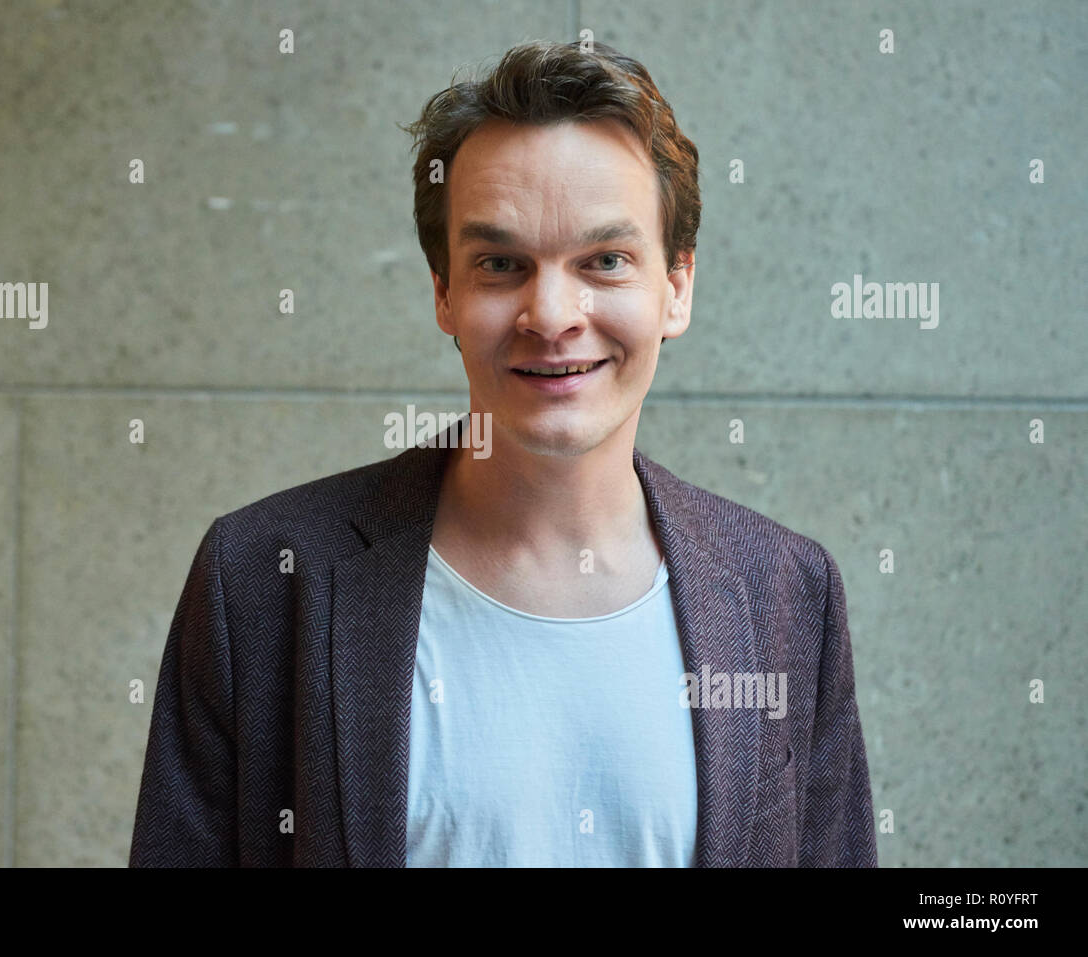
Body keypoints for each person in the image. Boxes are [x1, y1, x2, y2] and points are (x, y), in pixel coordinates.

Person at [130, 39, 876, 867]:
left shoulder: (787, 594)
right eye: (500, 264)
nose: (552, 313)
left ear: (678, 285)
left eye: (605, 260)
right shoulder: (261, 578)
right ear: (443, 291)